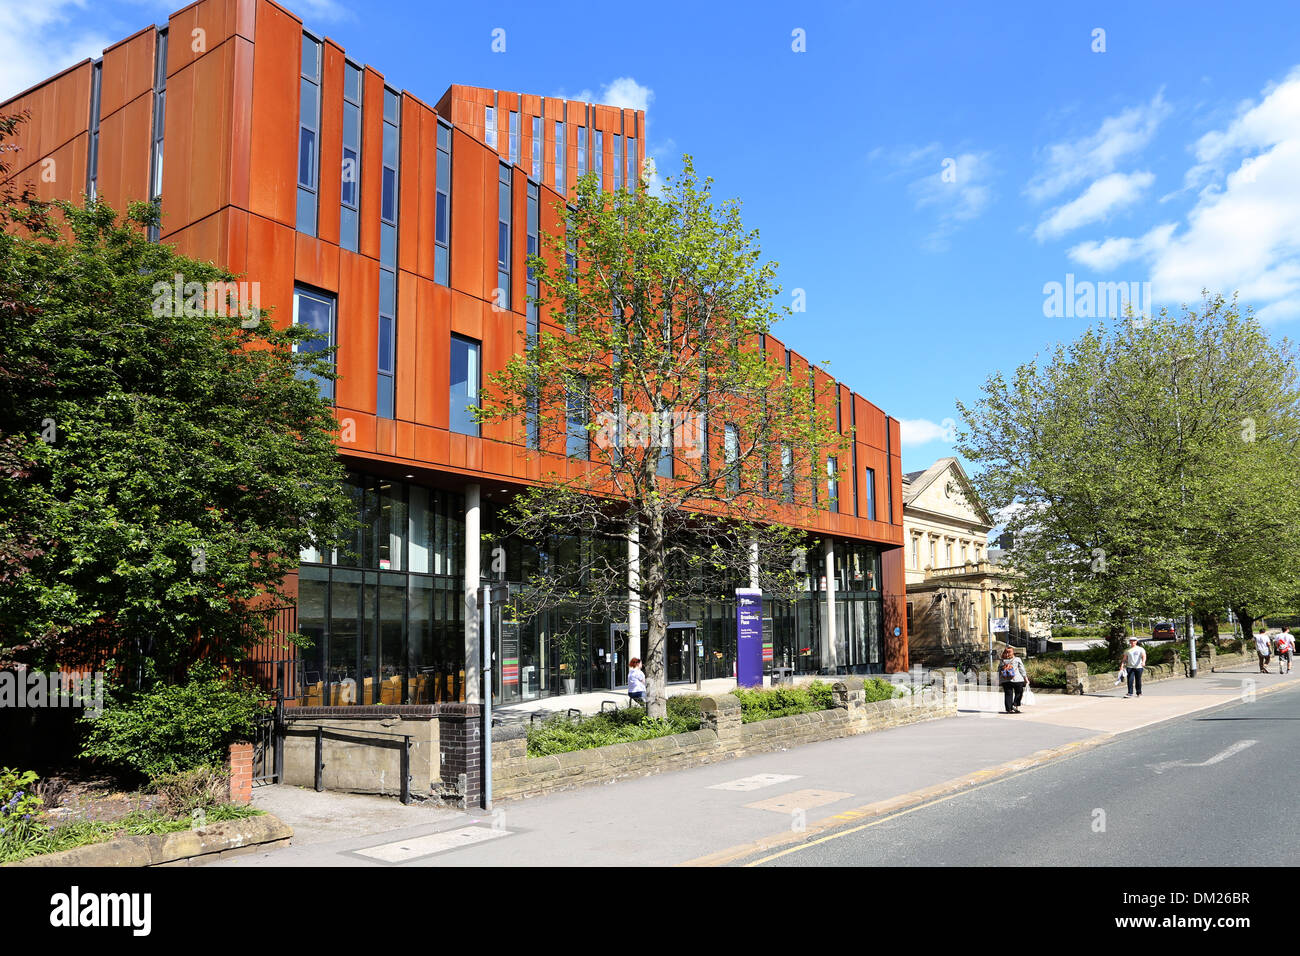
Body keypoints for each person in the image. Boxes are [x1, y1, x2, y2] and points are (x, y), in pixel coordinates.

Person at [997, 647, 1028, 714]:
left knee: (1008, 694)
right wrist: (1026, 678)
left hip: (1005, 680)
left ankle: (1009, 709)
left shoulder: (1002, 660)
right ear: (1012, 652)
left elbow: (999, 671)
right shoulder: (1017, 659)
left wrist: (998, 680)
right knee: (1019, 692)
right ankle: (1015, 704)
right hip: (1017, 679)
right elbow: (1022, 670)